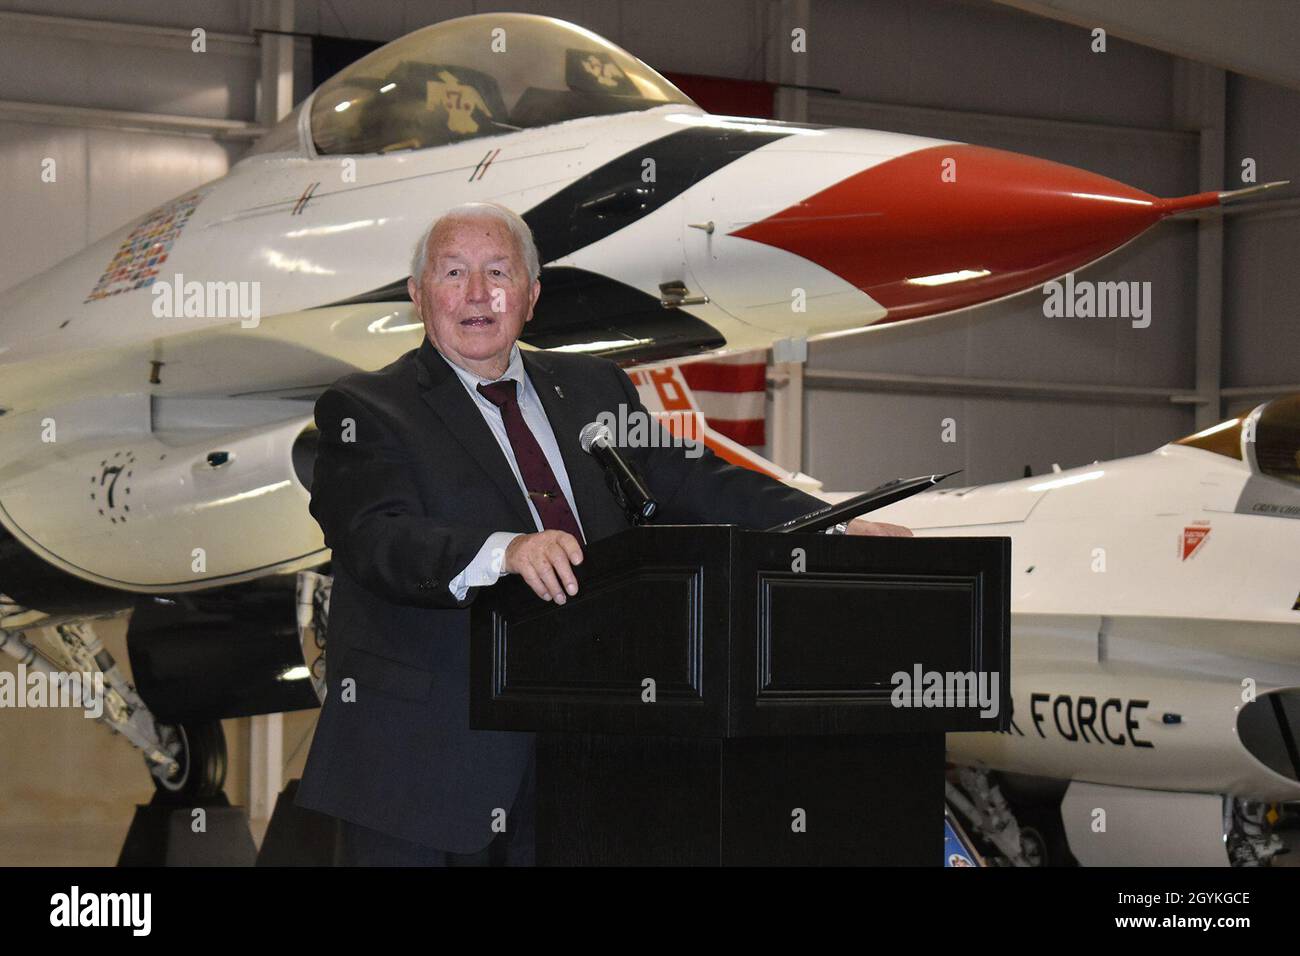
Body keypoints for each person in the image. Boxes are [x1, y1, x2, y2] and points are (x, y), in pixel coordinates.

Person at [295, 201, 910, 865]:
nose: (477, 294)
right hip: (426, 772)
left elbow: (696, 482)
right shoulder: (365, 409)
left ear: (530, 296)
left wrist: (832, 524)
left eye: (498, 272)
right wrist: (506, 552)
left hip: (587, 762)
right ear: (420, 296)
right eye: (453, 273)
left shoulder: (593, 390)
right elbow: (377, 540)